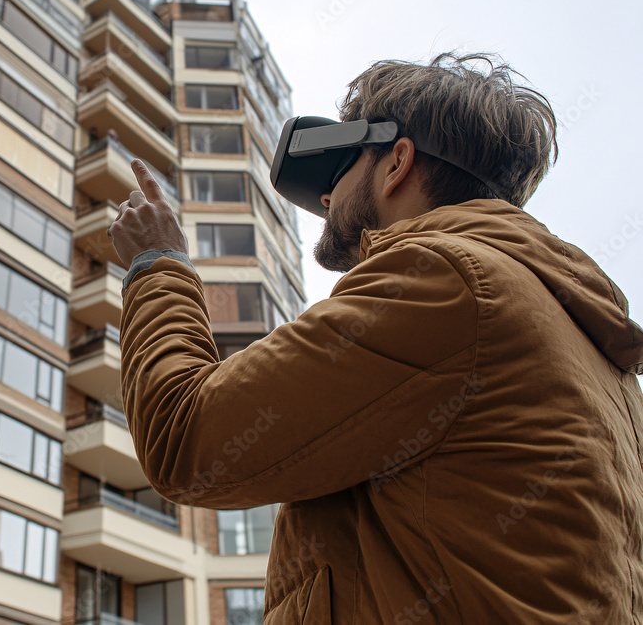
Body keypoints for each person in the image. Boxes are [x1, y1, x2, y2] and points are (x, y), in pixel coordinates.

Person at [107, 53, 643, 624]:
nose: (328, 201)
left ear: (397, 164)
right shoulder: (599, 361)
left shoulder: (447, 283)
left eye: (338, 172)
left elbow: (185, 437)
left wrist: (156, 260)